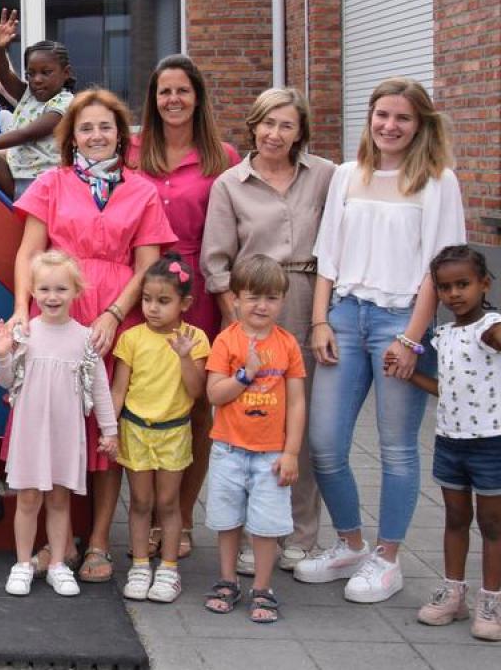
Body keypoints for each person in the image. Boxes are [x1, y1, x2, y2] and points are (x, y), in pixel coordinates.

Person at [295, 77, 465, 603]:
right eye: (382, 115)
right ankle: (350, 543)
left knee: (395, 449)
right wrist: (320, 321)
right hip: (344, 316)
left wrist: (413, 341)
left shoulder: (438, 181)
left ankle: (387, 559)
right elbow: (327, 256)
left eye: (403, 118)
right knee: (324, 443)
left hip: (401, 323)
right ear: (369, 119)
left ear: (420, 126)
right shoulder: (348, 174)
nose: (390, 126)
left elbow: (442, 269)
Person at [9, 89, 176, 584]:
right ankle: (47, 544)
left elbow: (148, 265)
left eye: (105, 127)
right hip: (58, 306)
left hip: (115, 314)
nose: (96, 136)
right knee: (50, 422)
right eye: (86, 128)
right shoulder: (51, 183)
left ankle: (99, 539)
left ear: (120, 136)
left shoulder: (142, 190)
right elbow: (28, 253)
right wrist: (22, 309)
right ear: (72, 137)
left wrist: (113, 314)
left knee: (107, 427)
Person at [201, 86, 335, 570]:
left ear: (301, 132)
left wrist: (324, 316)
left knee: (299, 417)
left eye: (287, 125)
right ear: (253, 125)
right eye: (267, 123)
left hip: (306, 299)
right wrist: (234, 318)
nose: (275, 134)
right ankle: (244, 533)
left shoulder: (325, 176)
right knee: (248, 417)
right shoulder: (230, 184)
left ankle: (299, 532)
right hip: (250, 306)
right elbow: (215, 261)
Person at [127, 56, 239, 558]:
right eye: (164, 92)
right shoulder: (132, 152)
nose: (173, 100)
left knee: (194, 407)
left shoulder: (224, 158)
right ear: (153, 100)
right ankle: (142, 512)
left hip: (199, 290)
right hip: (145, 287)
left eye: (182, 92)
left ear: (197, 98)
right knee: (141, 392)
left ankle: (182, 515)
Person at [0, 250, 118, 597]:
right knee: (28, 499)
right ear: (33, 292)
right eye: (44, 289)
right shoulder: (25, 334)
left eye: (61, 289)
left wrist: (110, 430)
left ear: (76, 292)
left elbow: (100, 388)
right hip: (31, 433)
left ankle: (59, 563)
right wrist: (1, 354)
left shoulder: (84, 338)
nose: (52, 297)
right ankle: (21, 563)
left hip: (66, 434)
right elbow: (4, 381)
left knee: (60, 501)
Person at [202, 255, 307, 624]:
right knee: (228, 521)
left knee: (266, 526)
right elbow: (214, 394)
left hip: (270, 454)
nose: (262, 306)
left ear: (282, 300)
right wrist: (245, 376)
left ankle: (263, 587)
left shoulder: (288, 345)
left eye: (271, 298)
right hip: (229, 449)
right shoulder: (225, 341)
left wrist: (291, 451)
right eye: (253, 297)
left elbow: (296, 402)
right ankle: (227, 580)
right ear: (235, 300)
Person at [411, 245, 501, 641]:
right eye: (445, 288)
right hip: (450, 442)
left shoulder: (491, 328)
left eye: (463, 284)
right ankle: (453, 593)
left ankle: (492, 600)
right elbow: (446, 389)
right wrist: (408, 374)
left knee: (493, 525)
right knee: (455, 519)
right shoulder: (444, 335)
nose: (454, 295)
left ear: (485, 283)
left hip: (491, 444)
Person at [111, 254, 209, 602]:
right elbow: (119, 390)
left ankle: (168, 569)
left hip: (174, 431)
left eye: (163, 301)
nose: (153, 308)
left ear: (186, 304)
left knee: (169, 504)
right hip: (136, 430)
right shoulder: (131, 338)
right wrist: (109, 430)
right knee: (140, 500)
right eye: (148, 299)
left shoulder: (195, 338)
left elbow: (197, 392)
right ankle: (139, 565)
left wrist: (184, 356)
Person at [0, 10, 74, 197]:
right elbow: (3, 74)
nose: (37, 79)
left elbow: (26, 134)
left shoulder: (65, 102)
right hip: (15, 174)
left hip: (42, 183)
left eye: (46, 72)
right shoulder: (29, 95)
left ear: (65, 73)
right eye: (31, 74)